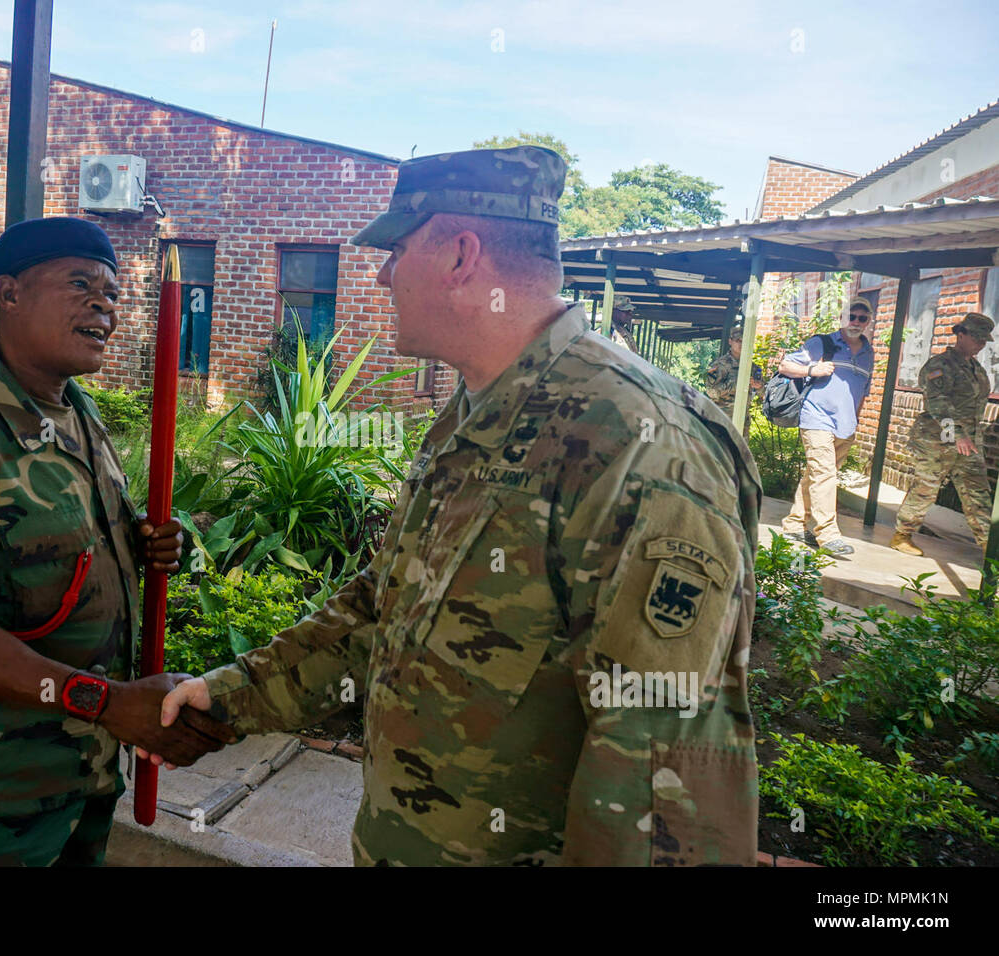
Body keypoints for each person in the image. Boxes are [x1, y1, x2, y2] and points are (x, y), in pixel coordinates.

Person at [148, 146, 763, 866]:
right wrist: (226, 697)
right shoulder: (471, 415)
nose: (382, 276)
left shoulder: (638, 440)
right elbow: (381, 610)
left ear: (461, 256)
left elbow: (662, 762)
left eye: (396, 251)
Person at [0, 216, 235, 866]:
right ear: (10, 293)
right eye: (80, 285)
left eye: (113, 294)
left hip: (87, 765)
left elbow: (66, 541)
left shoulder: (77, 411)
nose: (104, 307)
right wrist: (107, 702)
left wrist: (141, 543)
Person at [777, 297, 876, 557]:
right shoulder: (823, 343)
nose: (855, 322)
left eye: (862, 318)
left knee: (817, 474)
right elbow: (785, 365)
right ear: (843, 318)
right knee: (824, 474)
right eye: (851, 316)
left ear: (868, 321)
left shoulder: (869, 353)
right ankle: (828, 534)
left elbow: (863, 393)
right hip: (816, 418)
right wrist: (813, 369)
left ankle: (794, 524)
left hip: (846, 425)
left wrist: (855, 422)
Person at [891, 312, 995, 555]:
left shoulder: (977, 369)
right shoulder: (940, 365)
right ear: (961, 335)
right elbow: (937, 403)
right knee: (926, 488)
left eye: (984, 340)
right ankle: (902, 535)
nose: (981, 344)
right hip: (938, 440)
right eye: (977, 338)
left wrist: (967, 436)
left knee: (978, 493)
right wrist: (957, 434)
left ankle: (990, 548)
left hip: (968, 442)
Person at [703, 326, 763, 435]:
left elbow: (764, 394)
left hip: (742, 423)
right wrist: (736, 384)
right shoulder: (719, 365)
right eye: (738, 340)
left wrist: (759, 387)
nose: (741, 344)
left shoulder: (753, 368)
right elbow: (711, 392)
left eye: (744, 341)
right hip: (721, 421)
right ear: (730, 341)